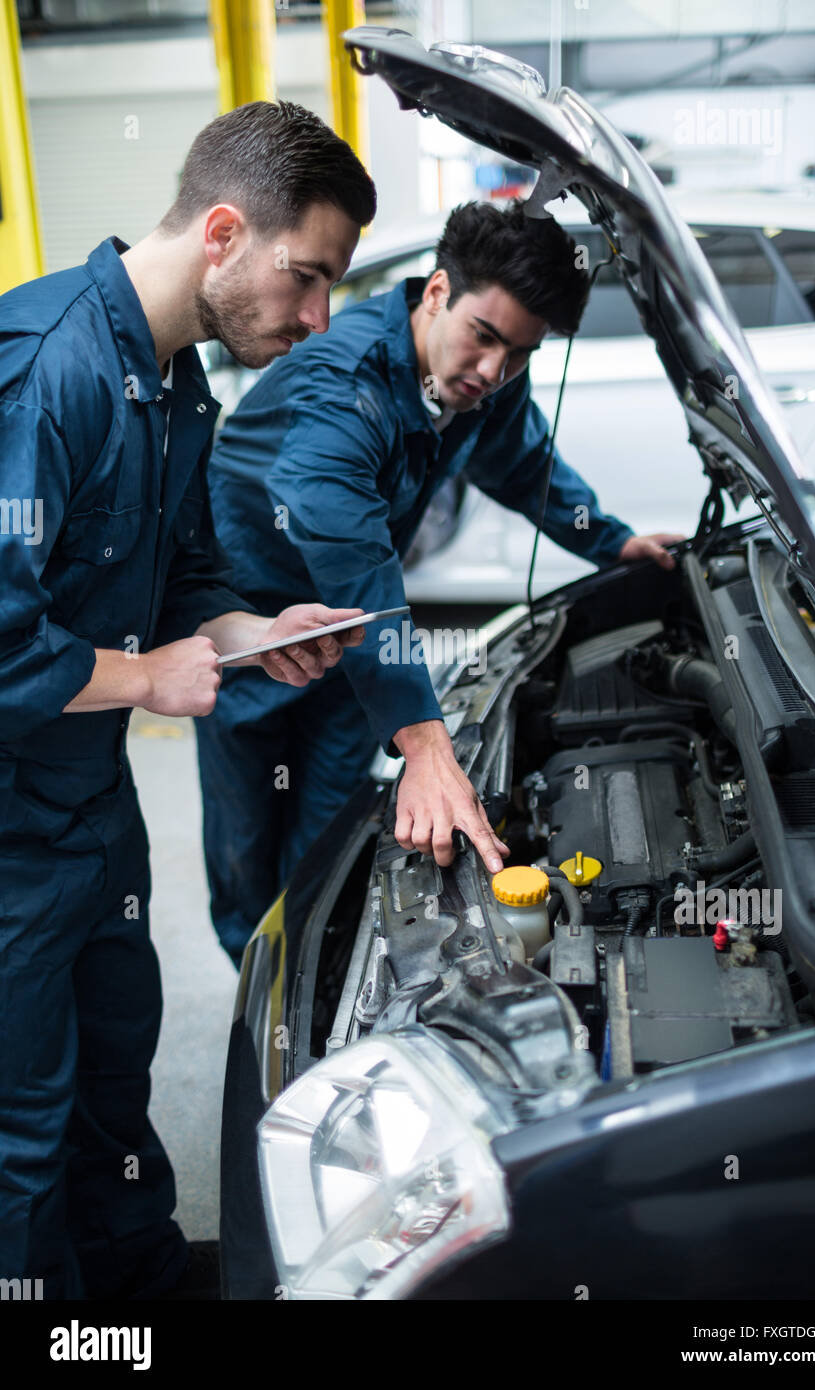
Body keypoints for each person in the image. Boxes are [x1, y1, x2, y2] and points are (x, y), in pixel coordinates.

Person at [0, 99, 376, 1301]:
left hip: (87, 811)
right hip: (8, 835)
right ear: (223, 232)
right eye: (306, 276)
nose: (317, 318)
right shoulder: (45, 375)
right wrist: (148, 680)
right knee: (22, 1133)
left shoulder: (173, 384)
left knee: (116, 1090)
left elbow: (188, 582)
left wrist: (254, 635)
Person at [197, 198, 683, 969]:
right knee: (246, 844)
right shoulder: (342, 380)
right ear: (434, 293)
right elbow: (355, 559)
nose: (494, 371)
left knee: (328, 827)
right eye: (484, 336)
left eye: (520, 354)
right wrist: (423, 741)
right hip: (247, 630)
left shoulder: (483, 379)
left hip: (346, 643)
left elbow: (524, 464)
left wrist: (613, 542)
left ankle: (313, 967)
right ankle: (260, 995)